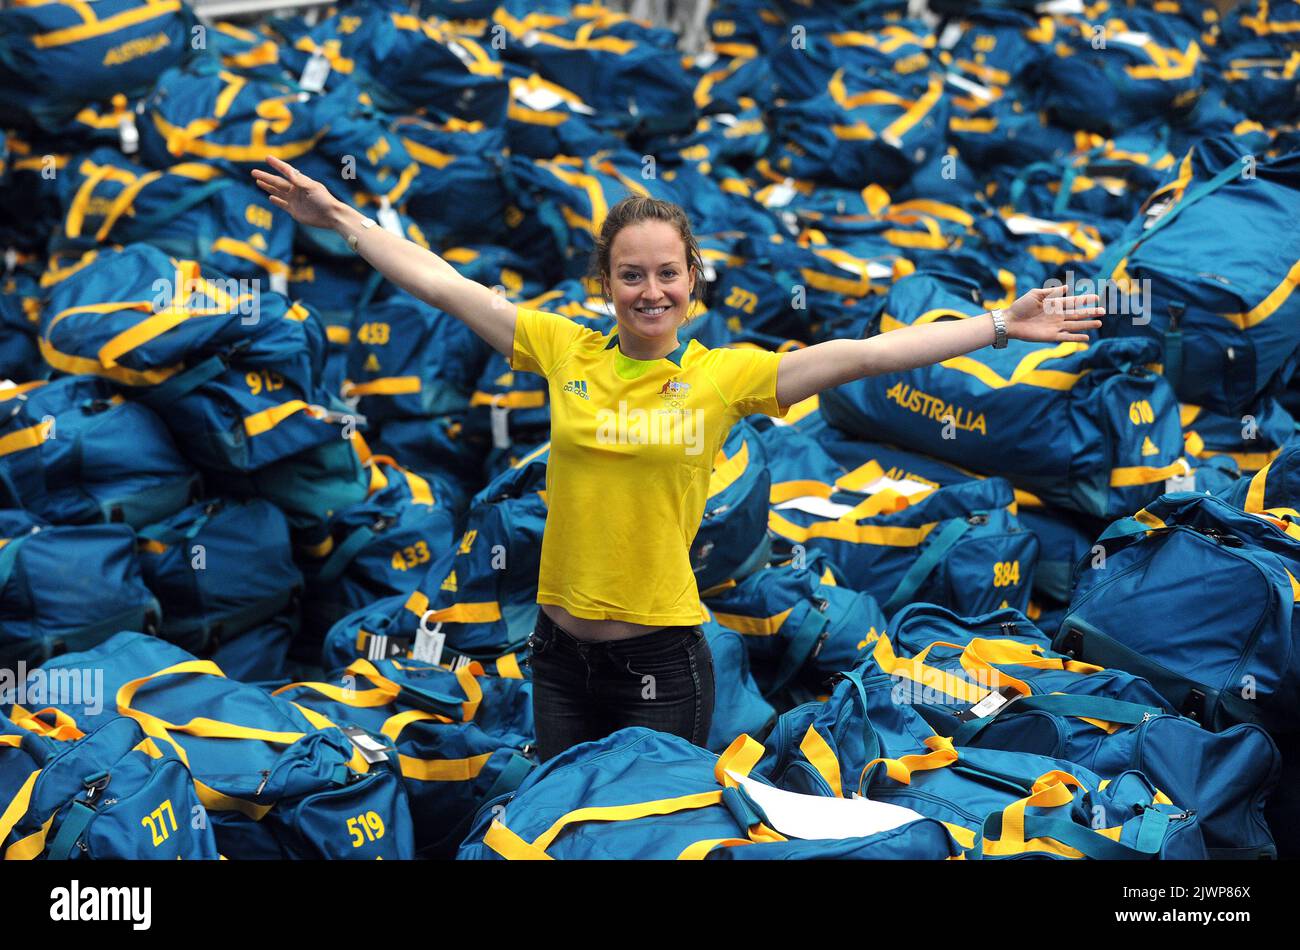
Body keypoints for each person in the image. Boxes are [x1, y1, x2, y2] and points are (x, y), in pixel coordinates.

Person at [251, 156, 1104, 762]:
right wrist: (342, 219)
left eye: (667, 274)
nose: (650, 291)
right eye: (631, 275)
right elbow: (439, 282)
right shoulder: (561, 349)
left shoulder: (724, 377)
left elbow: (866, 354)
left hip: (658, 662)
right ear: (606, 283)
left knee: (646, 833)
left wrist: (999, 324)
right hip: (555, 658)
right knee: (567, 823)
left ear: (693, 280)